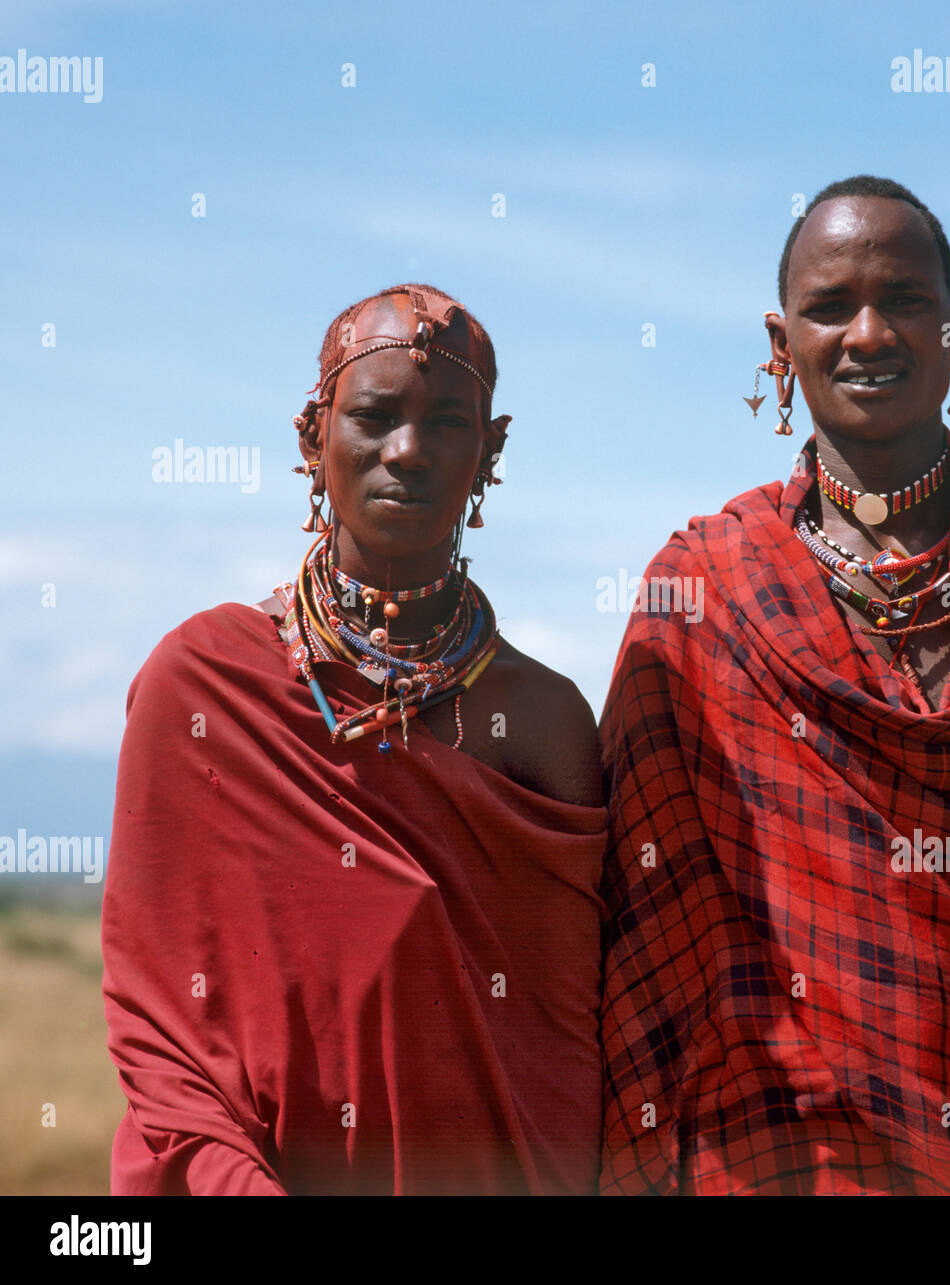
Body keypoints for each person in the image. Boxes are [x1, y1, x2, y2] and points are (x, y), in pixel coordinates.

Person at [598, 178, 950, 1195]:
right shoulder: (697, 593)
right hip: (762, 1159)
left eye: (904, 301)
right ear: (781, 343)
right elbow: (639, 933)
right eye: (829, 306)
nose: (867, 334)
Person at [102, 284, 606, 1195]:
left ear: (490, 454)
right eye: (373, 416)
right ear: (311, 438)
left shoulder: (544, 722)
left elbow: (564, 1051)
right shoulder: (202, 685)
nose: (407, 451)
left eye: (447, 422)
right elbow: (158, 1024)